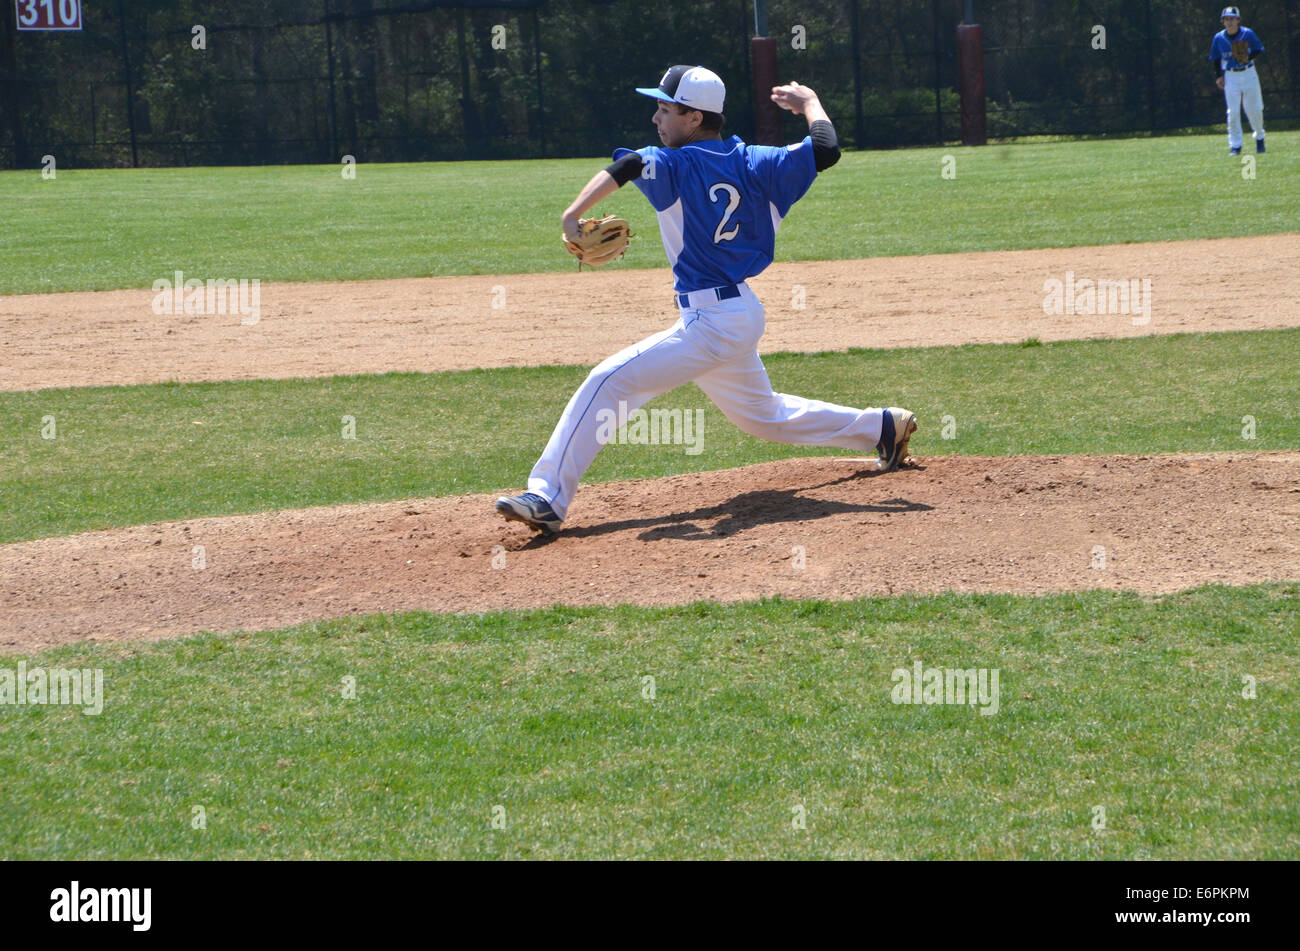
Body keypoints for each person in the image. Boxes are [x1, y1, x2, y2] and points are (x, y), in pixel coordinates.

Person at [496, 65, 917, 534]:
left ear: (694, 118)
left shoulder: (676, 165)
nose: (657, 118)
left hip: (712, 322)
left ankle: (547, 497)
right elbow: (825, 149)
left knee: (607, 382)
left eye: (664, 108)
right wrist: (810, 102)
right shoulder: (759, 161)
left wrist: (573, 214)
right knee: (765, 416)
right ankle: (882, 428)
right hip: (737, 313)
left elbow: (629, 165)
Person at [1208, 6, 1266, 154]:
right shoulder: (1219, 38)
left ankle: (1259, 137)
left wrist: (1247, 58)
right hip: (1231, 76)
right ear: (1223, 21)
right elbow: (1215, 58)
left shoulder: (1247, 34)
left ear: (1238, 20)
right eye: (1226, 19)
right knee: (1232, 112)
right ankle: (1235, 146)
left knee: (1254, 110)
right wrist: (1219, 76)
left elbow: (1258, 49)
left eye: (1232, 19)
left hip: (1248, 73)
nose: (1230, 22)